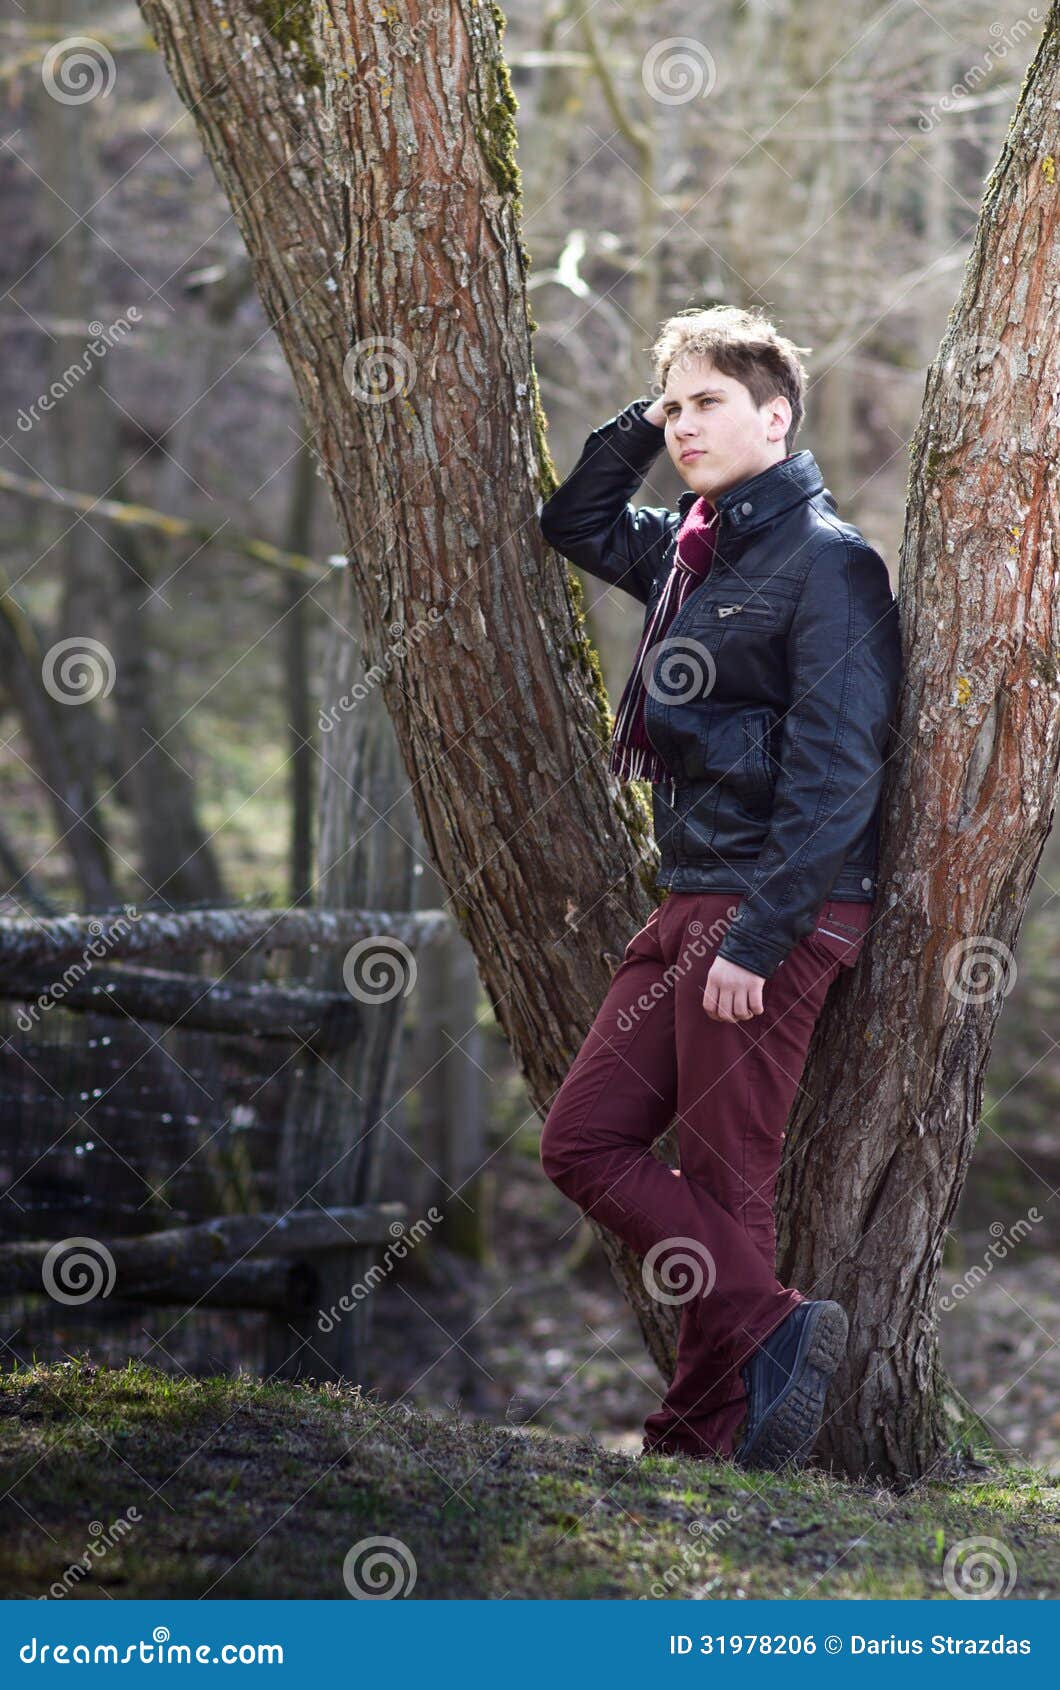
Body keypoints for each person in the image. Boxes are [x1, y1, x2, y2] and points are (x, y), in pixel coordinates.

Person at [537, 304, 903, 1468]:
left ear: (776, 415)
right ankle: (772, 1326)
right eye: (674, 404)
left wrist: (760, 936)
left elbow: (840, 771)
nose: (685, 423)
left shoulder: (830, 564)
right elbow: (573, 517)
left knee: (723, 1179)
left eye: (708, 402)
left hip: (769, 907)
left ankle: (698, 1438)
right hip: (687, 894)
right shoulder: (687, 550)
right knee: (583, 1143)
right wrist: (638, 423)